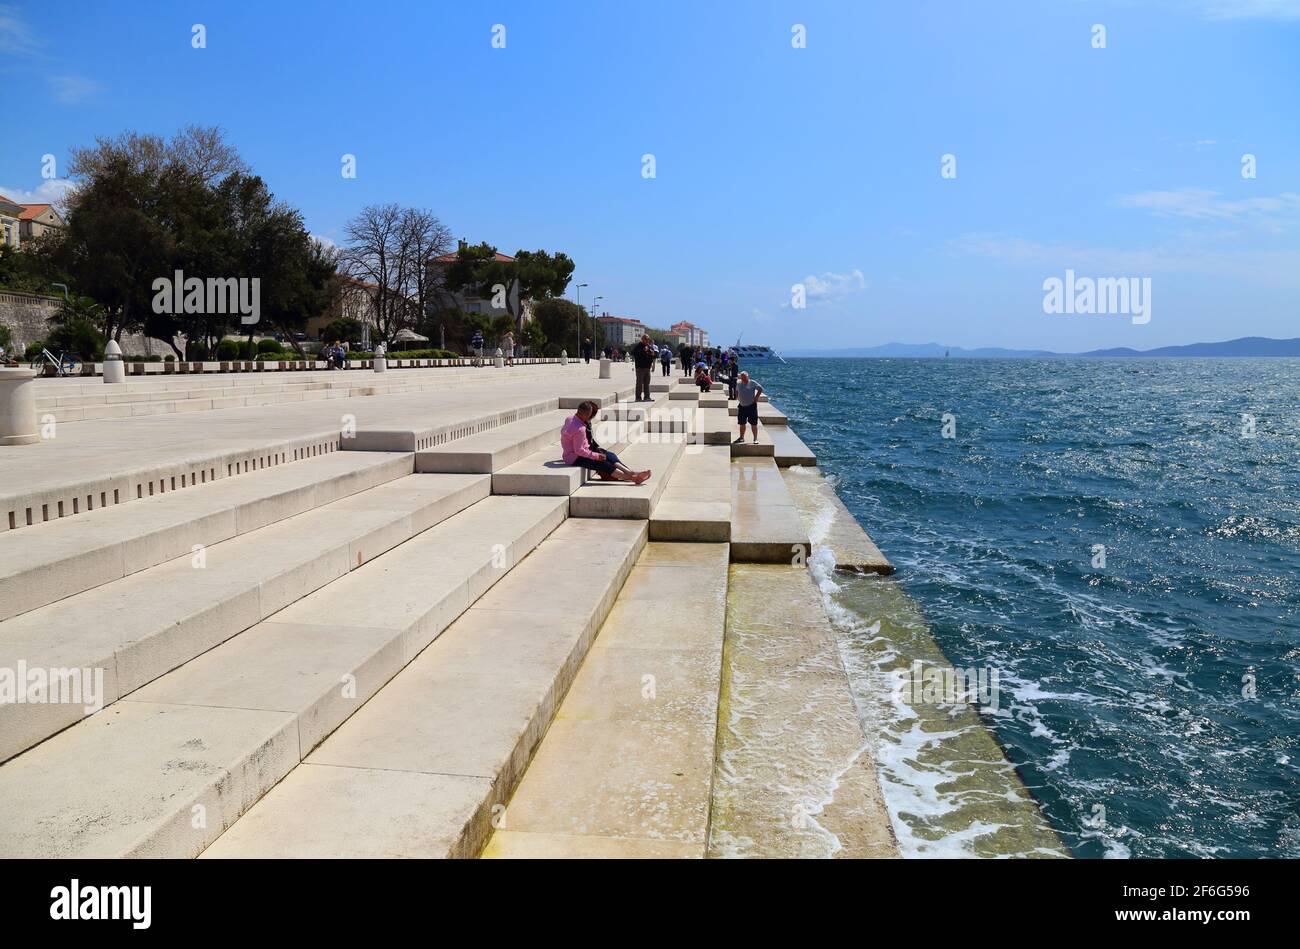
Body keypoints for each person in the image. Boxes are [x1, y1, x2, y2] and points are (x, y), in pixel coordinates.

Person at [562, 401, 650, 484]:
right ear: (586, 414)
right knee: (602, 464)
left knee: (608, 455)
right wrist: (596, 456)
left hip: (575, 453)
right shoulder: (580, 429)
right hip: (575, 458)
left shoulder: (570, 418)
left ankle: (631, 472)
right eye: (589, 415)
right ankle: (633, 478)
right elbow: (579, 450)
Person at [733, 371, 764, 444]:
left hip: (751, 406)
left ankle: (755, 439)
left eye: (744, 377)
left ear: (747, 377)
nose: (743, 379)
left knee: (754, 424)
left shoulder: (752, 382)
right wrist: (737, 397)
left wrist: (756, 397)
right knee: (742, 423)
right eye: (742, 377)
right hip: (742, 407)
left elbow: (761, 389)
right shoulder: (739, 383)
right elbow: (736, 390)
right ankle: (741, 438)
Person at [631, 333, 655, 402]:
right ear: (642, 339)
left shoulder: (649, 347)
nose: (647, 341)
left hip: (647, 368)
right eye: (646, 339)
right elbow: (635, 354)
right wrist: (643, 350)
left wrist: (652, 353)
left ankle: (647, 397)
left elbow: (653, 355)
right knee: (639, 383)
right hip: (640, 368)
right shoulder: (638, 346)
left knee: (647, 383)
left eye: (648, 339)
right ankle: (638, 398)